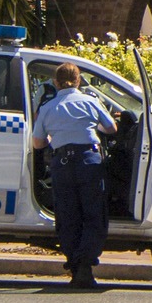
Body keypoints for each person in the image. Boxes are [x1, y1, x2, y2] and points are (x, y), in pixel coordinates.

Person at [29, 62, 117, 289]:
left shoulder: (48, 107)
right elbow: (111, 129)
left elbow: (37, 144)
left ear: (56, 82)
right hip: (89, 161)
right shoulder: (90, 101)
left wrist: (55, 139)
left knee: (68, 217)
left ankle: (76, 266)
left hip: (62, 164)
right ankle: (86, 265)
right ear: (78, 80)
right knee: (93, 215)